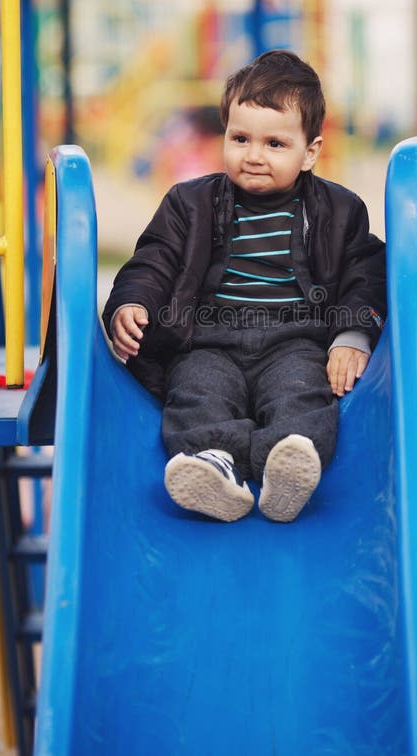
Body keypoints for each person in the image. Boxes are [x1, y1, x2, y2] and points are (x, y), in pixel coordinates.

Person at [102, 50, 386, 523]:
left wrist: (352, 335)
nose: (253, 156)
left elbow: (365, 275)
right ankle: (214, 467)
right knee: (196, 391)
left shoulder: (339, 210)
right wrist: (131, 302)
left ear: (310, 152)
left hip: (295, 342)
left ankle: (286, 469)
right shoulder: (189, 203)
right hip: (207, 341)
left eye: (275, 144)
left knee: (302, 394)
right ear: (225, 136)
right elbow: (153, 259)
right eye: (240, 138)